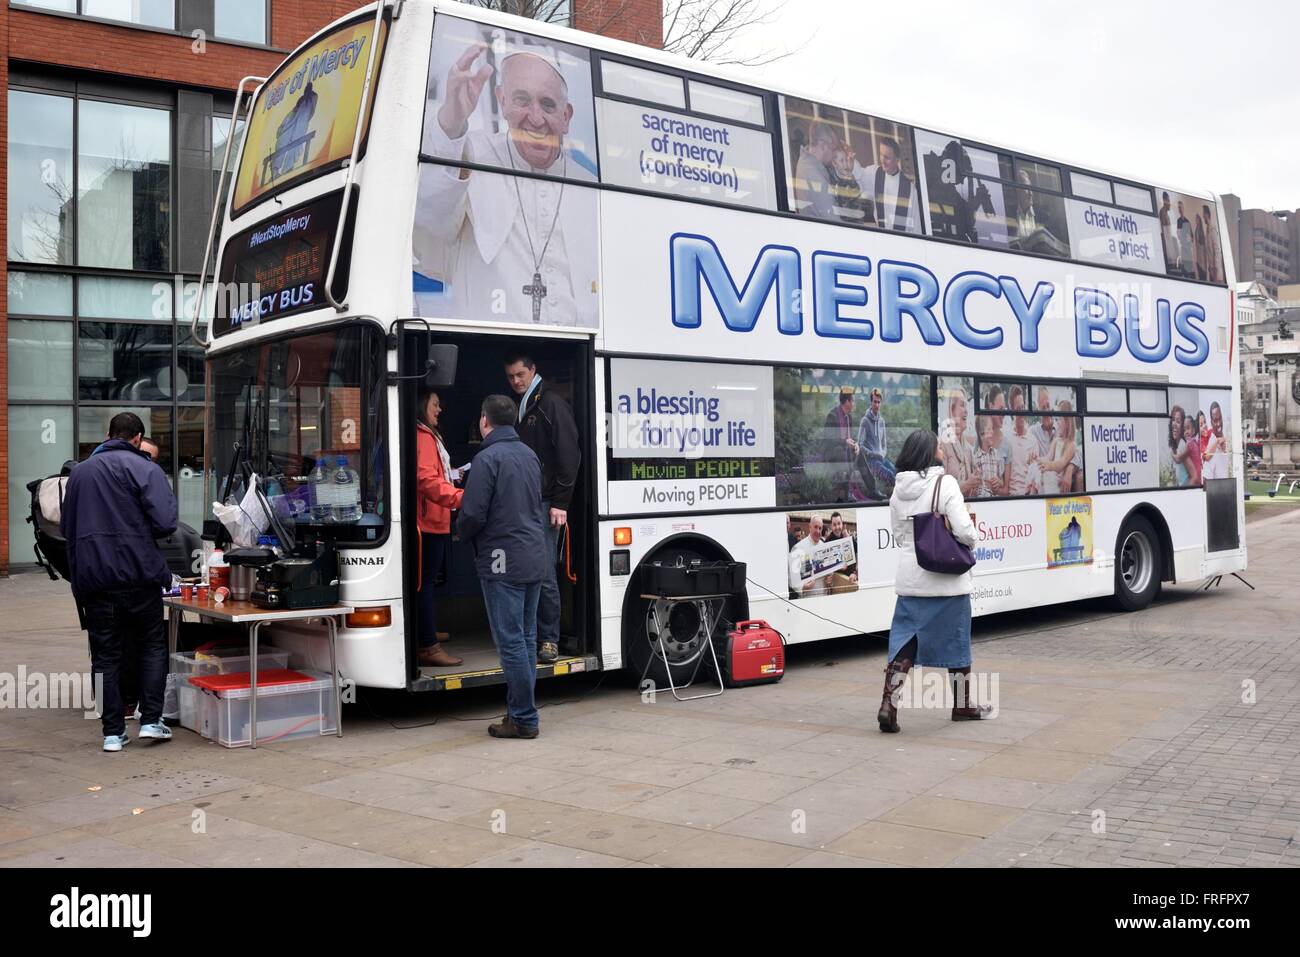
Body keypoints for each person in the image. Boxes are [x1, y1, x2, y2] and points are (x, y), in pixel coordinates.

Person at [414, 46, 597, 327]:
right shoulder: (472, 153)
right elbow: (432, 219)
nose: (535, 118)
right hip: (491, 343)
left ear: (566, 116)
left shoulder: (591, 187)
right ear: (503, 101)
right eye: (522, 100)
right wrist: (451, 123)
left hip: (579, 347)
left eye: (548, 105)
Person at [60, 412, 178, 752]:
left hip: (95, 579)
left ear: (108, 434)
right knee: (151, 646)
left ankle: (112, 733)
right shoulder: (146, 469)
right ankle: (151, 721)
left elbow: (66, 527)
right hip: (139, 574)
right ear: (138, 438)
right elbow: (166, 523)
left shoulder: (80, 473)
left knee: (104, 656)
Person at [877, 429, 990, 733]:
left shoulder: (898, 491)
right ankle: (962, 705)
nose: (942, 450)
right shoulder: (945, 483)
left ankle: (888, 704)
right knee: (957, 641)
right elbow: (965, 531)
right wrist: (973, 538)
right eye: (938, 446)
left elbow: (900, 536)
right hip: (947, 580)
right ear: (929, 453)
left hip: (911, 581)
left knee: (905, 643)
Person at [457, 395, 548, 739]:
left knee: (510, 642)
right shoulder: (529, 455)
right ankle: (520, 712)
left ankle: (524, 718)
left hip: (502, 560)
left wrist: (461, 534)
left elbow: (473, 513)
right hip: (533, 554)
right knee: (526, 638)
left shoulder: (486, 458)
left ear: (484, 420)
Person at [505, 353, 580, 664]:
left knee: (545, 572)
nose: (516, 381)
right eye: (511, 377)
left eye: (520, 374)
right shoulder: (524, 405)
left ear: (533, 370)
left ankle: (549, 639)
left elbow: (570, 455)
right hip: (524, 501)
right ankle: (530, 635)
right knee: (523, 571)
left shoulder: (550, 404)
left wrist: (561, 503)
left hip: (546, 502)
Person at [415, 387, 465, 668]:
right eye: (435, 404)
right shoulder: (423, 437)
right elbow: (426, 480)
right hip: (427, 523)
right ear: (423, 405)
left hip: (434, 520)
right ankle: (427, 645)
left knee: (427, 583)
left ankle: (426, 631)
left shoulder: (427, 434)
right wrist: (458, 497)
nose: (439, 409)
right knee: (424, 585)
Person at [850, 137, 921, 234]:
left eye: (887, 157)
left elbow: (916, 226)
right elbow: (859, 176)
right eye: (881, 154)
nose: (882, 160)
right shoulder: (875, 174)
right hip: (881, 236)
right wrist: (851, 162)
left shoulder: (910, 190)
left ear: (897, 160)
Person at [856, 387, 895, 497]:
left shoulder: (882, 421)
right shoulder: (865, 421)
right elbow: (860, 445)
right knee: (890, 474)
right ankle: (897, 497)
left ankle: (894, 496)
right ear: (871, 402)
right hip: (871, 461)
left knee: (895, 470)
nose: (877, 405)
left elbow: (884, 443)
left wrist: (882, 454)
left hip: (881, 459)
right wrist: (873, 454)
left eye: (879, 402)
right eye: (875, 402)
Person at [940, 389, 979, 499]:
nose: (966, 411)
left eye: (966, 406)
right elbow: (941, 491)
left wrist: (976, 483)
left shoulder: (968, 449)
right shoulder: (943, 445)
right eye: (962, 405)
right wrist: (967, 485)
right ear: (952, 411)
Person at [793, 122, 838, 219]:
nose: (834, 154)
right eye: (833, 148)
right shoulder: (815, 176)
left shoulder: (805, 161)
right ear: (823, 146)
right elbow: (833, 219)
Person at [823, 388, 860, 499]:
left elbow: (850, 438)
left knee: (860, 452)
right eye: (853, 401)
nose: (854, 403)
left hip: (845, 449)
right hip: (833, 451)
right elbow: (829, 439)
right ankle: (847, 491)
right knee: (842, 452)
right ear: (847, 402)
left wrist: (856, 444)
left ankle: (872, 490)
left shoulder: (849, 417)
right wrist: (845, 442)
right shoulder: (832, 416)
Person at [788, 514, 834, 597]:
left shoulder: (825, 547)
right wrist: (802, 587)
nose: (818, 531)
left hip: (823, 596)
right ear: (810, 527)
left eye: (820, 528)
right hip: (807, 598)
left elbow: (829, 572)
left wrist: (829, 579)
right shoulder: (798, 548)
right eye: (815, 527)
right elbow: (792, 578)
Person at [1004, 389, 1041, 495]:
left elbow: (1036, 474)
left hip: (1029, 495)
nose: (1021, 412)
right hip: (1011, 496)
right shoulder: (1007, 439)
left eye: (1023, 407)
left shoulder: (1032, 440)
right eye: (1018, 409)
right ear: (1011, 410)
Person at [1039, 401, 1077, 495]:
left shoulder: (1071, 444)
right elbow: (1048, 457)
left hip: (1058, 481)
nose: (1057, 422)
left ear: (1067, 422)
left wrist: (1048, 466)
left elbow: (1061, 464)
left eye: (1059, 419)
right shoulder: (1056, 441)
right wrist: (1037, 459)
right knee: (1035, 468)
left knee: (1046, 474)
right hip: (1052, 474)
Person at [972, 414, 1009, 498]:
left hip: (994, 500)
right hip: (982, 500)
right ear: (981, 434)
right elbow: (975, 487)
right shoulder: (976, 458)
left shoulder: (996, 455)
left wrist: (998, 482)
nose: (992, 432)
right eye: (989, 429)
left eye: (992, 428)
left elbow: (1002, 482)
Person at [825, 510, 858, 586]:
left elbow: (858, 554)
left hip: (851, 578)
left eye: (839, 523)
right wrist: (838, 567)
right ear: (831, 526)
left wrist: (855, 573)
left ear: (842, 524)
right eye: (834, 524)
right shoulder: (827, 542)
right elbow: (826, 565)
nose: (837, 527)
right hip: (837, 580)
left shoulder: (847, 536)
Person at [1202, 401, 1230, 480]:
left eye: (1219, 419)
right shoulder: (1212, 442)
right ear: (1211, 422)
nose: (1218, 423)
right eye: (1215, 420)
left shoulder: (1227, 437)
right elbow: (1206, 479)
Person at [1176, 201, 1195, 278]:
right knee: (1184, 269)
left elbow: (1192, 237)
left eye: (1181, 207)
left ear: (1183, 208)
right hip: (1183, 248)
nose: (1180, 209)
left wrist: (1189, 238)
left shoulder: (1187, 221)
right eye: (1179, 208)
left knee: (1189, 269)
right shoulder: (1178, 221)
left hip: (1188, 249)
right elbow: (1179, 235)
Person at [1183, 415, 1203, 486]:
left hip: (1195, 478)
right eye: (1184, 430)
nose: (1186, 432)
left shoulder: (1190, 443)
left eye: (1188, 428)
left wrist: (1174, 455)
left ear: (1193, 430)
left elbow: (1181, 456)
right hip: (1199, 477)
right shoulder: (1194, 442)